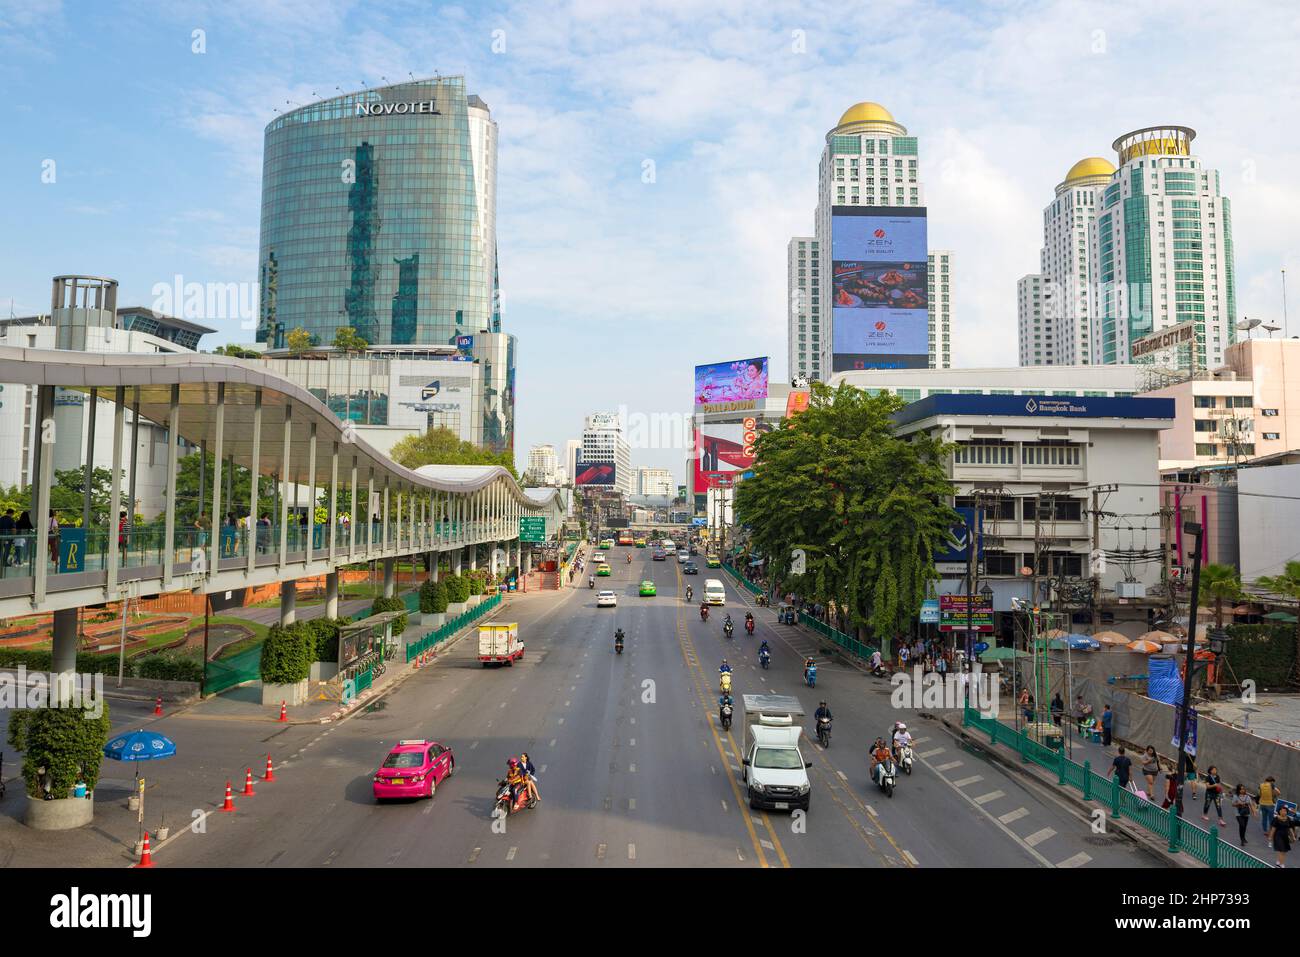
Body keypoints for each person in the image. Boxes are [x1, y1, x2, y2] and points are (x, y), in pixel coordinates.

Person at [1267, 802, 1297, 868]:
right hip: (1278, 836)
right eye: (1282, 811)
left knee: (1284, 850)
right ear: (1279, 811)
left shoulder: (1288, 819)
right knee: (1282, 850)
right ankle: (1281, 864)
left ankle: (1278, 861)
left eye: (1285, 811)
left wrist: (1293, 837)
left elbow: (1290, 828)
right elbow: (1273, 829)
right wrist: (1270, 837)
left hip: (1285, 836)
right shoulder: (1276, 819)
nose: (1284, 812)